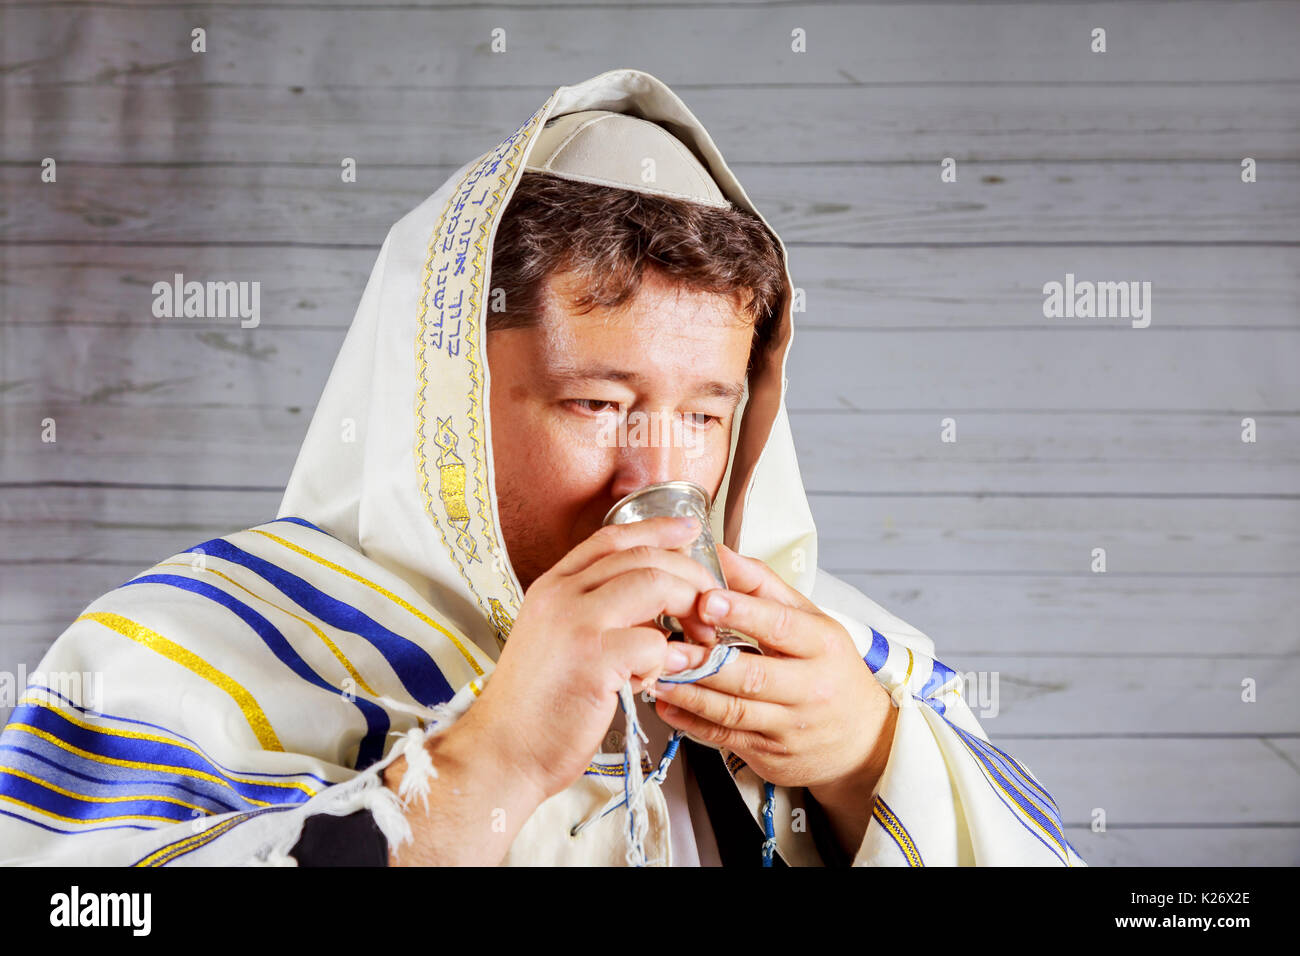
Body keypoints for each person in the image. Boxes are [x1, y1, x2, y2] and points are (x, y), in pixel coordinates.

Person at [0, 68, 1084, 867]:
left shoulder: (833, 654)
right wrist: (485, 764)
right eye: (599, 405)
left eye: (706, 411)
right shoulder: (185, 650)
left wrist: (864, 757)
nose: (658, 478)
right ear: (446, 410)